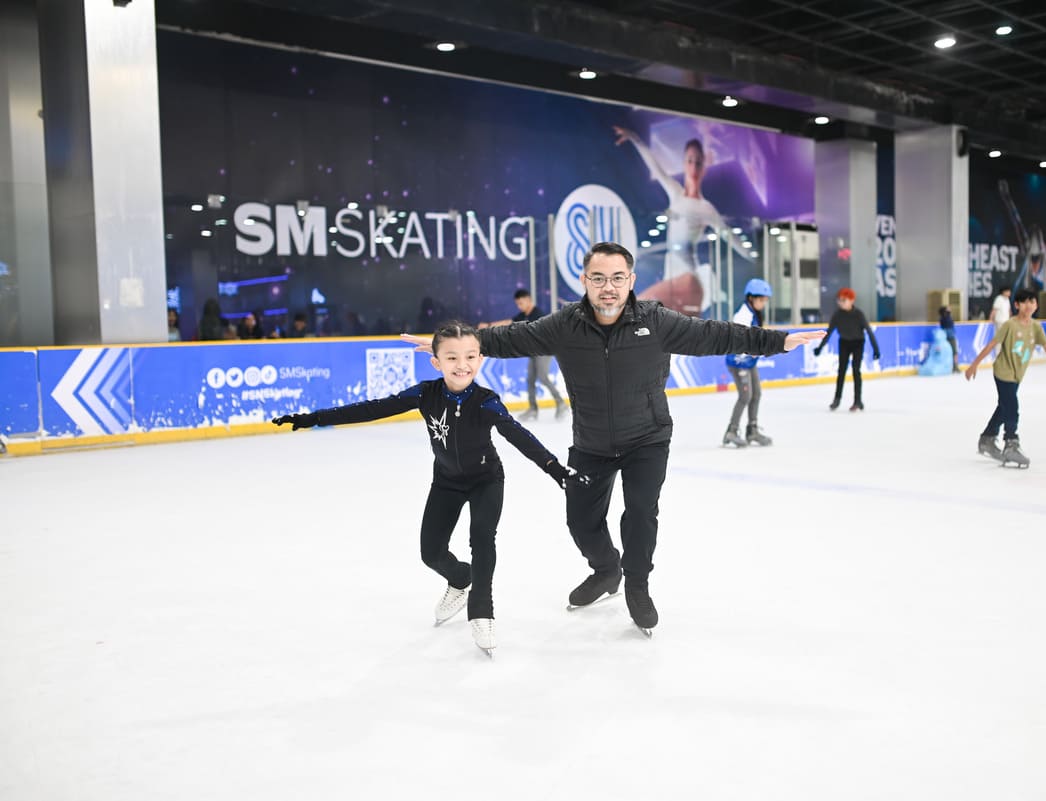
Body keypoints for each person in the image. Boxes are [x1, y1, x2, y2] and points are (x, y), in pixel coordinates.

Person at [404, 242, 821, 633]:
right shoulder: (564, 326)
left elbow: (717, 334)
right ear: (584, 281)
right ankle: (607, 570)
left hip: (647, 437)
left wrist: (777, 341)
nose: (609, 287)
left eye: (618, 277)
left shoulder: (656, 321)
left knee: (640, 513)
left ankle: (637, 586)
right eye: (599, 278)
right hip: (591, 442)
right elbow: (510, 338)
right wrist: (452, 345)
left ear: (631, 280)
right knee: (580, 520)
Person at [272, 321, 588, 655]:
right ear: (436, 362)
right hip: (447, 481)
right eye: (451, 358)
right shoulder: (426, 393)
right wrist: (314, 418)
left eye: (469, 356)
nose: (462, 365)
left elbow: (519, 436)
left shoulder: (486, 402)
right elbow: (373, 408)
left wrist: (556, 470)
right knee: (430, 553)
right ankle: (460, 578)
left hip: (486, 480)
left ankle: (481, 609)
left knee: (482, 536)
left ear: (481, 359)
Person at [613, 126, 727, 316]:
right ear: (683, 163)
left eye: (698, 162)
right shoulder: (675, 193)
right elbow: (656, 168)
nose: (693, 167)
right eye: (690, 161)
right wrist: (634, 137)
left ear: (704, 166)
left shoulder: (706, 209)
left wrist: (751, 255)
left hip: (688, 279)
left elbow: (731, 237)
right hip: (672, 276)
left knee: (635, 308)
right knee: (677, 340)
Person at [965, 288, 1046, 468]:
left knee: (1004, 407)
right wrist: (974, 364)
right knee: (1012, 407)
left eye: (1032, 302)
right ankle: (1011, 442)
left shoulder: (1035, 327)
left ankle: (987, 438)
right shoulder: (1009, 325)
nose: (1029, 306)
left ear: (1036, 305)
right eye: (1025, 302)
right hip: (1003, 372)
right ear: (1017, 305)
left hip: (1016, 374)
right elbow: (992, 344)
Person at [480, 289, 567, 422]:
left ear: (528, 300)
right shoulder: (523, 315)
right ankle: (533, 409)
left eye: (521, 303)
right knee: (530, 379)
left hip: (545, 350)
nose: (519, 306)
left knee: (542, 377)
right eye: (518, 304)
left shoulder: (537, 314)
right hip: (534, 351)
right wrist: (489, 326)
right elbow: (509, 322)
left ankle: (560, 403)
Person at [723, 278, 774, 447]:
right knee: (745, 396)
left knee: (757, 394)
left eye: (765, 300)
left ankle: (752, 430)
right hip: (738, 362)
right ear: (751, 298)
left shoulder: (754, 313)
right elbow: (738, 339)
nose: (763, 304)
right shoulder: (743, 315)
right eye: (761, 300)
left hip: (749, 362)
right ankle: (731, 431)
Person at [814, 288, 881, 412]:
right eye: (839, 300)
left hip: (857, 343)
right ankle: (837, 399)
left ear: (851, 300)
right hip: (844, 343)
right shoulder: (837, 315)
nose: (840, 302)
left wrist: (876, 349)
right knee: (841, 371)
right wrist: (820, 347)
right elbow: (829, 333)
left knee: (856, 371)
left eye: (843, 300)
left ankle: (858, 400)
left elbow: (869, 331)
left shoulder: (858, 314)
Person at [938, 305, 959, 372]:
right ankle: (954, 367)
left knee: (954, 352)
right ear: (945, 311)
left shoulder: (944, 318)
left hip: (947, 336)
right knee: (953, 352)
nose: (949, 309)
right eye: (948, 309)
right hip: (948, 337)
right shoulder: (945, 318)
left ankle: (955, 366)